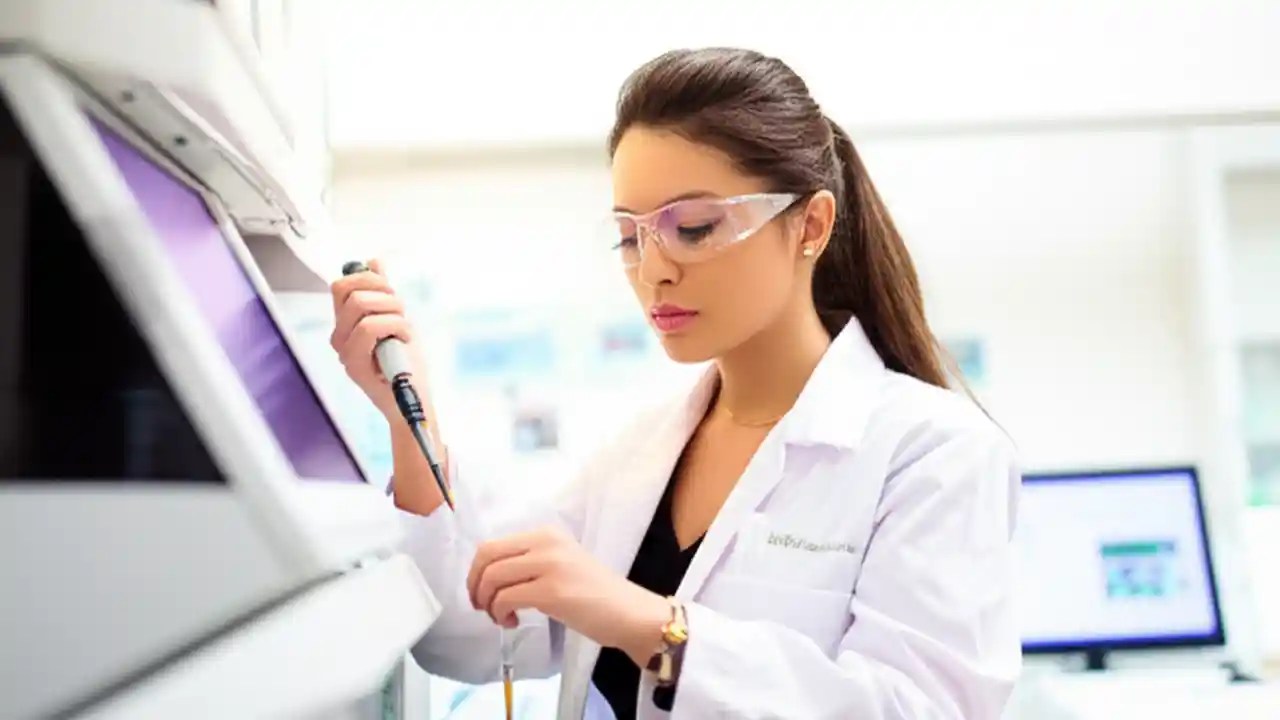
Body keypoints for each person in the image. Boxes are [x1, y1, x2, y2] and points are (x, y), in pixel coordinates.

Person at [330, 47, 1020, 720]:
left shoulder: (934, 452)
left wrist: (654, 627)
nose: (652, 270)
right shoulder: (641, 450)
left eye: (692, 228)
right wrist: (406, 416)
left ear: (810, 224)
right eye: (630, 237)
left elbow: (921, 708)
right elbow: (467, 628)